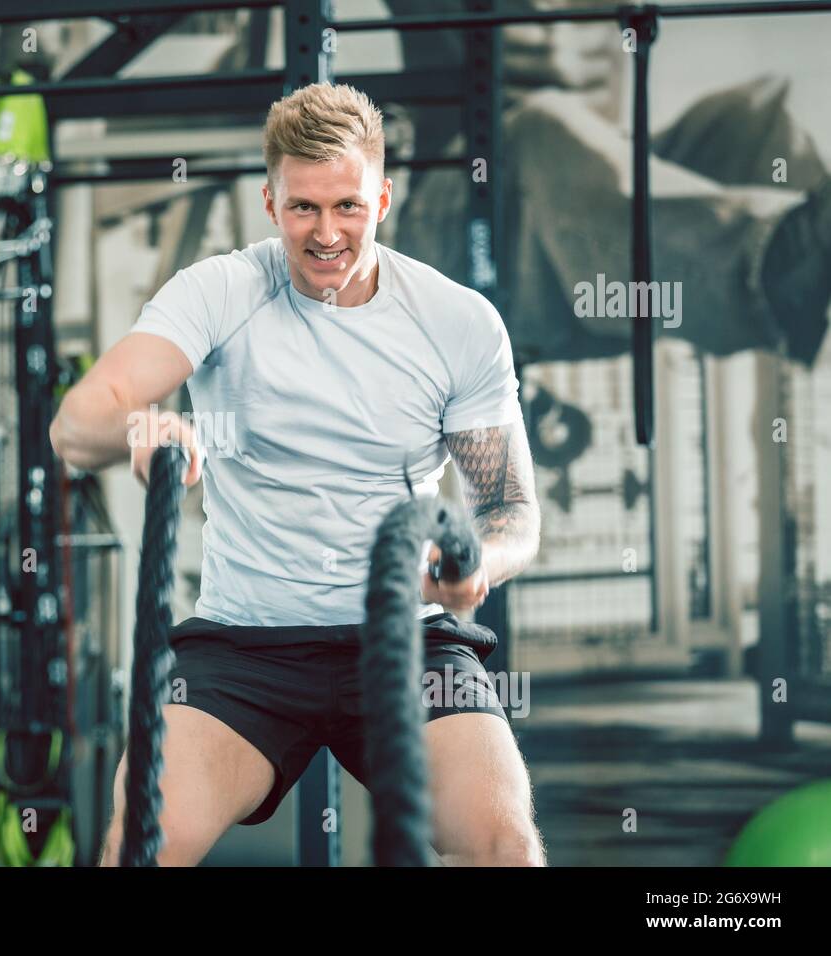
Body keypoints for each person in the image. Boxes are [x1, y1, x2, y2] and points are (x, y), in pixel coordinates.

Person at [50, 83, 546, 866]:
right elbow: (77, 424)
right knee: (142, 844)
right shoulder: (221, 290)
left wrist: (479, 562)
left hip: (404, 641)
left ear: (383, 197)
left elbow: (513, 508)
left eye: (348, 206)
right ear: (269, 202)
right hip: (245, 648)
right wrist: (144, 428)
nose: (326, 234)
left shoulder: (457, 322)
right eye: (302, 208)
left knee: (504, 844)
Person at [395, 0, 831, 366]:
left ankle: (817, 264)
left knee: (754, 121)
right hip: (457, 227)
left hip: (587, 231)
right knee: (546, 130)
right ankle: (775, 266)